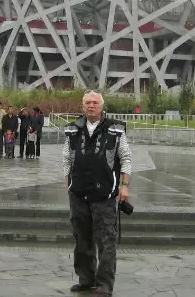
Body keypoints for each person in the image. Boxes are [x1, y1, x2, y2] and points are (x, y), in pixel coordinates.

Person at [63, 90, 132, 297]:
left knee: (106, 242)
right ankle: (86, 279)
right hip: (79, 195)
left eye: (95, 102)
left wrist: (124, 185)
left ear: (101, 106)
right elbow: (67, 159)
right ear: (82, 106)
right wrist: (68, 184)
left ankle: (104, 285)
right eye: (87, 103)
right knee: (82, 240)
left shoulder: (116, 129)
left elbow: (126, 158)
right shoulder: (73, 129)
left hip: (105, 196)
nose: (91, 106)